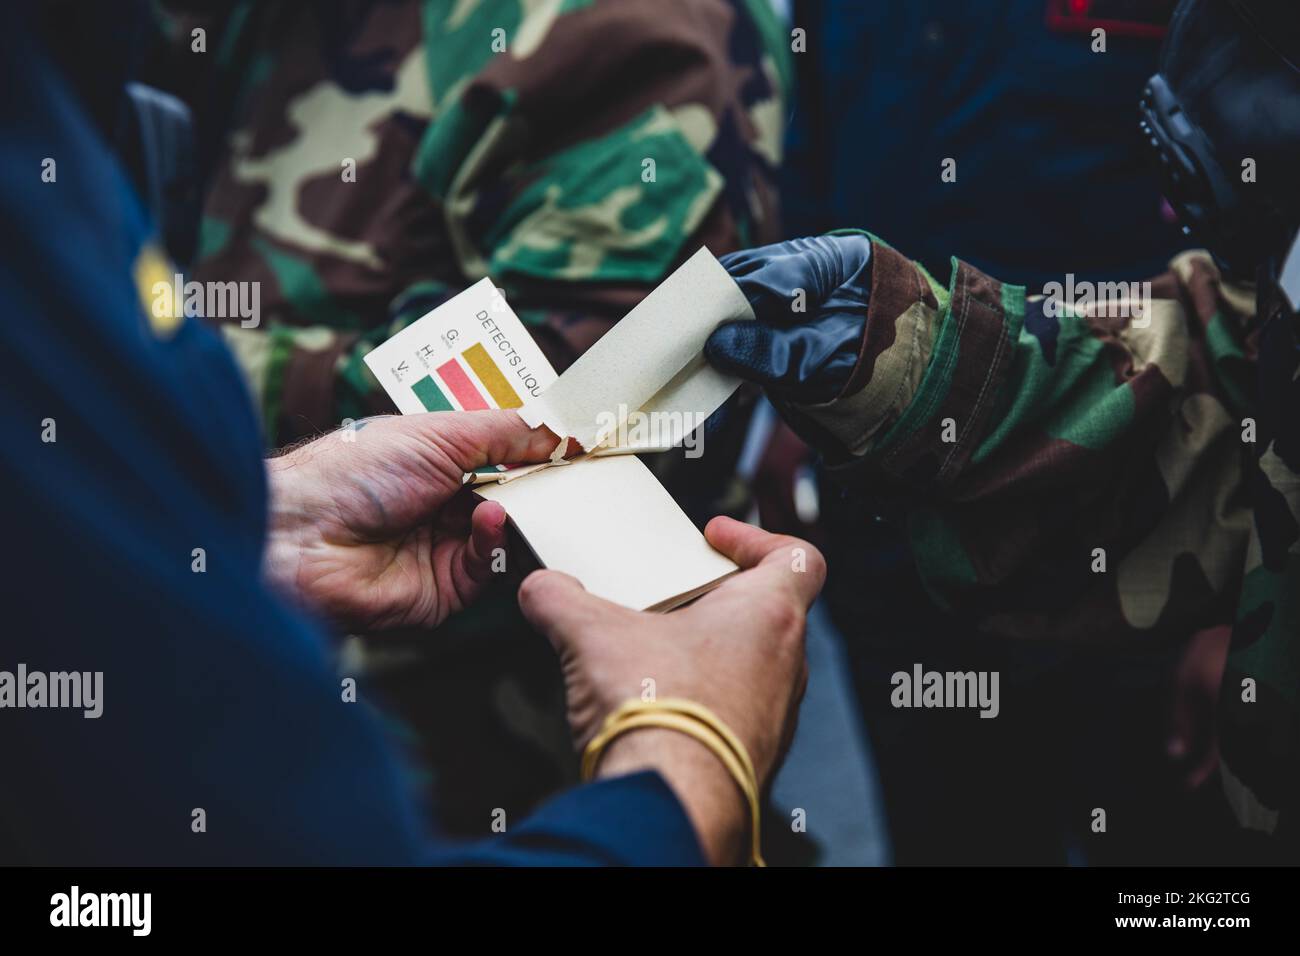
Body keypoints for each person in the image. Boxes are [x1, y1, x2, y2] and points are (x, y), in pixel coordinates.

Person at [0, 7, 823, 866]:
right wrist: (695, 760)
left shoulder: (625, 30)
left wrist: (230, 475)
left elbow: (587, 387)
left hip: (492, 749)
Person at [704, 0, 1299, 859]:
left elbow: (1250, 293)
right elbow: (820, 130)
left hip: (1142, 527)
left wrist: (1242, 607)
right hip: (901, 489)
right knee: (950, 831)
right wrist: (836, 385)